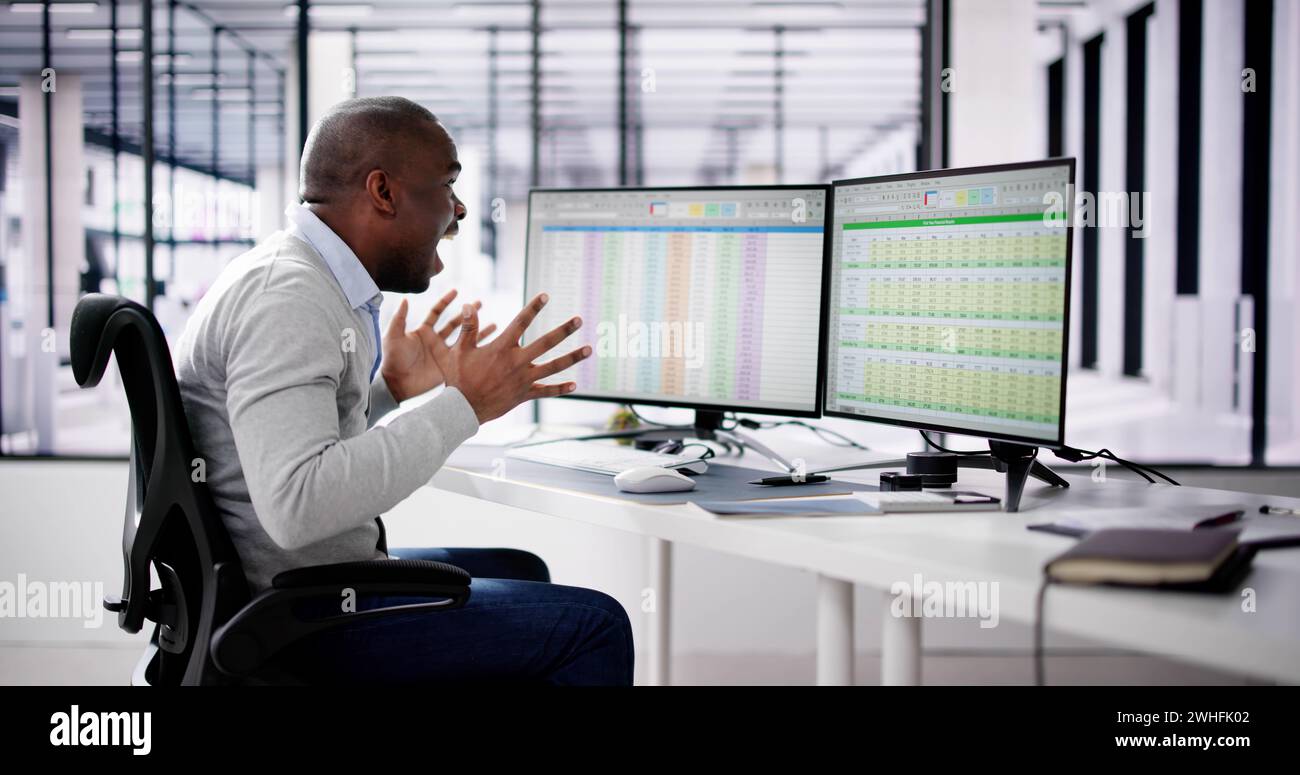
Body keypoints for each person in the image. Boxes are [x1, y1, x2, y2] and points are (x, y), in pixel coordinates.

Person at [173, 96, 632, 685]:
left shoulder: (301, 276)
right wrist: (465, 405)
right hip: (306, 622)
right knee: (596, 625)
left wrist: (387, 388)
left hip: (311, 589)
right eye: (447, 184)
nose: (461, 208)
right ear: (383, 193)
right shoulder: (287, 298)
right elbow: (297, 504)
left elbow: (291, 445)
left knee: (525, 571)